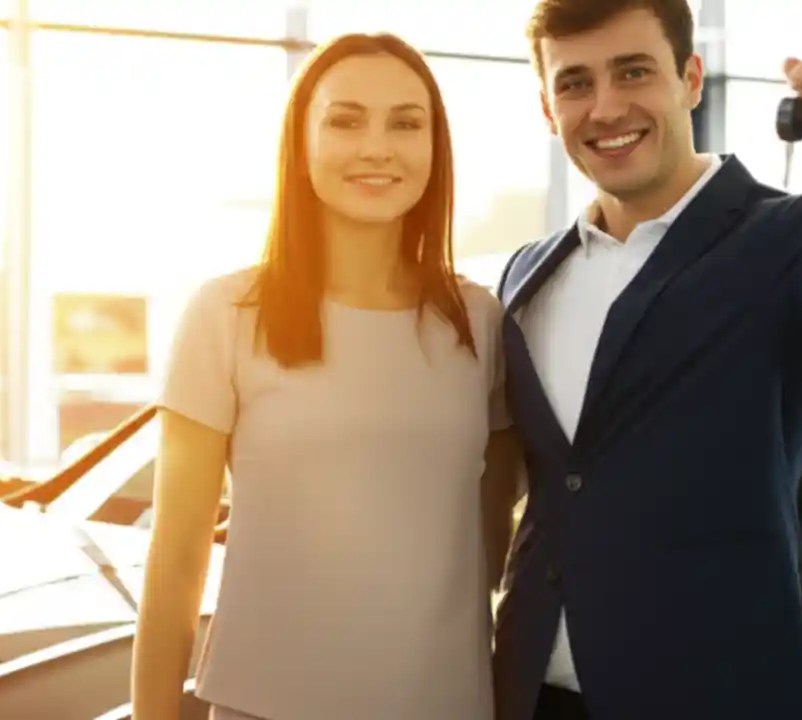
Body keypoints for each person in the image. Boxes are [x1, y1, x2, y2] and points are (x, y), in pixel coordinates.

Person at [488, 1, 802, 719]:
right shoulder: (525, 276)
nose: (605, 107)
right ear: (548, 107)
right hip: (529, 696)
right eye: (575, 83)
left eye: (633, 72)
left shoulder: (788, 239)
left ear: (691, 78)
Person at [130, 32, 522, 720]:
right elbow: (176, 562)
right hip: (264, 705)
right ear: (300, 143)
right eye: (346, 120)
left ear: (436, 147)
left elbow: (494, 535)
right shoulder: (225, 313)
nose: (378, 146)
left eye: (406, 123)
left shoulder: (480, 323)